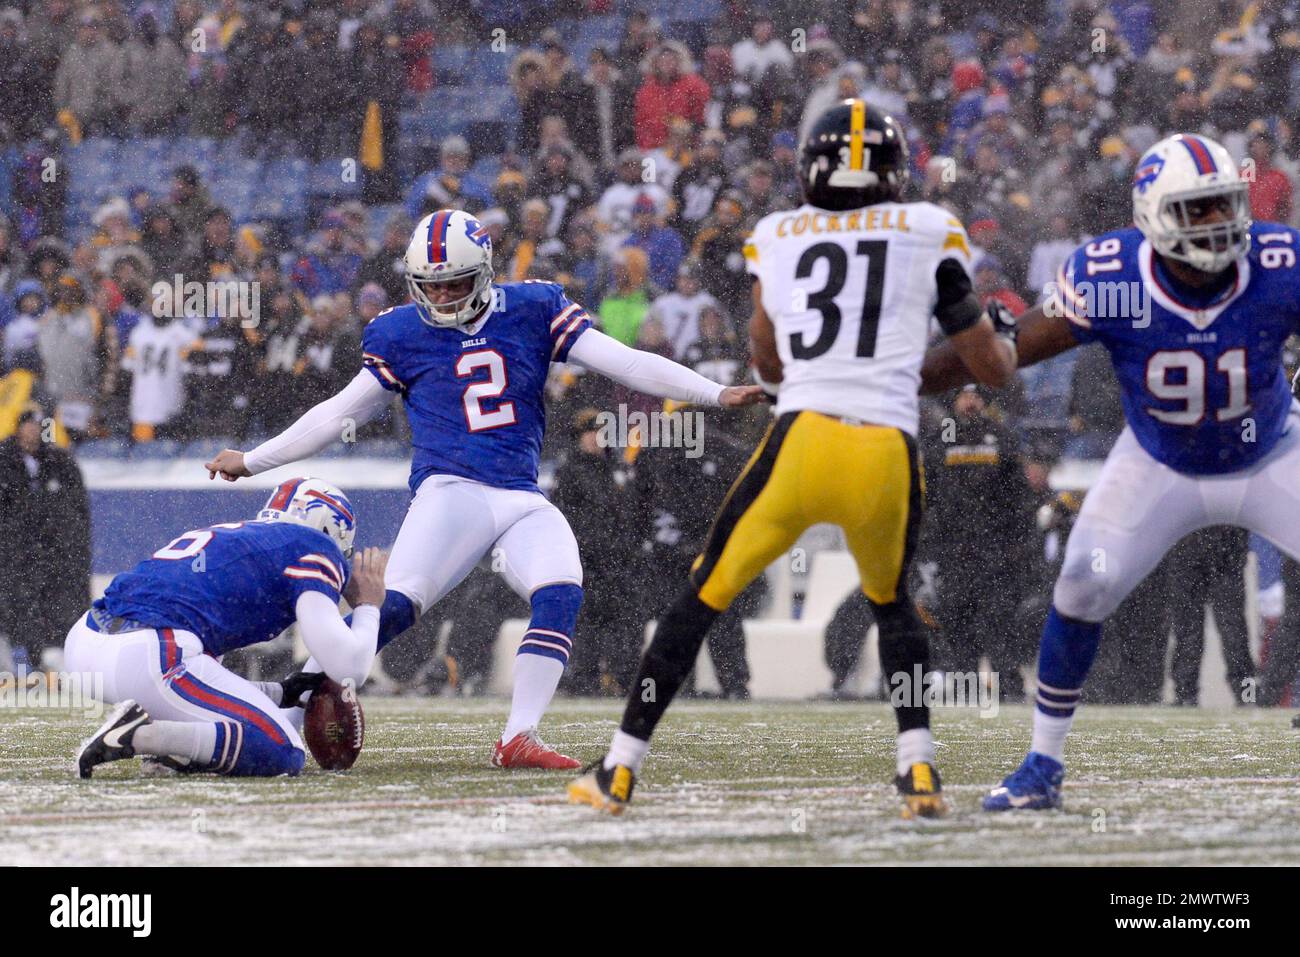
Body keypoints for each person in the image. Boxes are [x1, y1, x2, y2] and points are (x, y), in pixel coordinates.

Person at [567, 100, 1019, 818]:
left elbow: (769, 357)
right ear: (894, 172)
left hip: (803, 440)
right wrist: (1004, 335)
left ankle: (619, 766)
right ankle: (919, 769)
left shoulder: (780, 233)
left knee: (701, 597)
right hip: (887, 451)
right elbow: (987, 366)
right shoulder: (930, 227)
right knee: (895, 609)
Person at [204, 209, 761, 770]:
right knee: (393, 610)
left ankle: (519, 736)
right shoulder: (400, 333)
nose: (443, 297)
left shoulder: (534, 307)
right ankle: (279, 697)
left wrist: (713, 393)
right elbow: (337, 413)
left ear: (487, 271)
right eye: (432, 285)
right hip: (450, 493)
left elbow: (624, 362)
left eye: (455, 283)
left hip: (520, 494)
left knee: (562, 586)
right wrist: (254, 460)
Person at [921, 133, 1300, 811]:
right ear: (1155, 216)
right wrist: (900, 378)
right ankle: (1043, 763)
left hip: (1270, 452)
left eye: (1224, 206)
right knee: (1082, 582)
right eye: (1199, 209)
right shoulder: (1112, 275)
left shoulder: (1277, 260)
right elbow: (1010, 347)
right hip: (1160, 459)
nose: (1219, 223)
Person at [65, 478, 384, 779]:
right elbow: (348, 668)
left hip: (87, 645)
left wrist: (279, 692)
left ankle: (181, 748)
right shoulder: (311, 546)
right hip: (150, 654)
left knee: (204, 658)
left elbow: (206, 674)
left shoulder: (241, 540)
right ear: (331, 529)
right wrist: (369, 605)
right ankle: (147, 736)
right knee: (283, 750)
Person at [0, 407, 90, 676]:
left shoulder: (58, 462)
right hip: (13, 552)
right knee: (13, 602)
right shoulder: (5, 462)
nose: (33, 431)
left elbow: (75, 509)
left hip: (48, 551)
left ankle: (49, 657)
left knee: (53, 603)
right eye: (28, 425)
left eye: (38, 426)